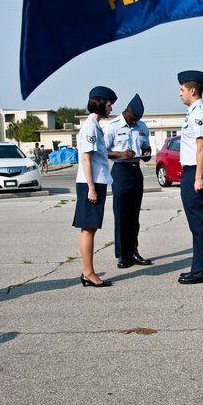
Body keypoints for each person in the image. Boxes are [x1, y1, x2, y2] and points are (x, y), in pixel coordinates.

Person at [177, 70, 203, 284]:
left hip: (197, 171)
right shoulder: (194, 111)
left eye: (182, 89)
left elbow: (202, 147)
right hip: (194, 171)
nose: (180, 93)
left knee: (200, 223)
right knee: (197, 224)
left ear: (192, 90)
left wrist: (198, 177)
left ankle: (202, 270)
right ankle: (200, 266)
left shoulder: (199, 113)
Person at [73, 86, 116, 288]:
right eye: (109, 104)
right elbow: (85, 158)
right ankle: (88, 272)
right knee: (88, 229)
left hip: (95, 182)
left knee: (90, 228)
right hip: (91, 183)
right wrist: (91, 187)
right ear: (100, 103)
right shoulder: (90, 126)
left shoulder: (95, 125)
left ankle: (88, 271)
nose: (111, 107)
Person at [104, 94, 152, 269]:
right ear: (127, 111)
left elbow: (146, 146)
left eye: (137, 120)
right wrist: (120, 154)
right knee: (121, 215)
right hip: (120, 172)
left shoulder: (141, 126)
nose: (134, 122)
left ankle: (133, 250)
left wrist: (146, 153)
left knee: (134, 216)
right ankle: (122, 255)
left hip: (136, 171)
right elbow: (102, 150)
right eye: (132, 119)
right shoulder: (113, 126)